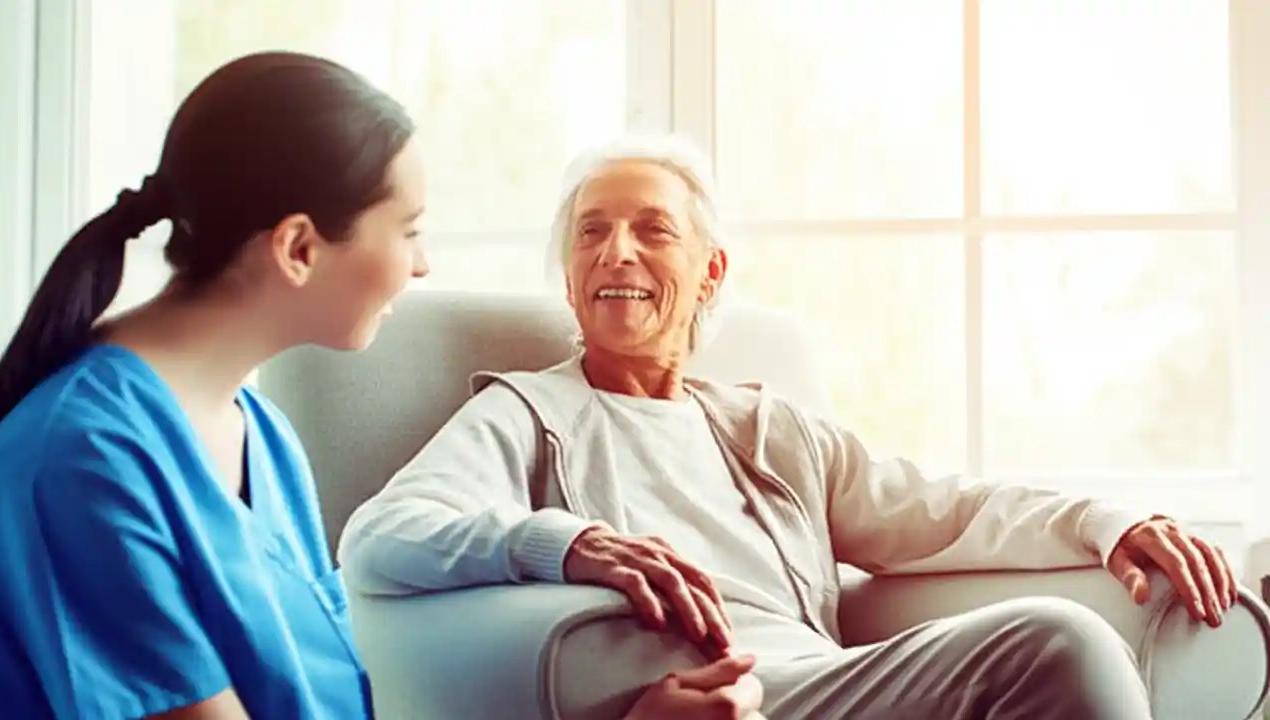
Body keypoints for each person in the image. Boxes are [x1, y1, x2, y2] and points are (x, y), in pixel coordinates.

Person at [338, 135, 1240, 720]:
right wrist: (570, 545)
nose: (616, 252)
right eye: (590, 234)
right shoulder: (527, 412)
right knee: (1061, 640)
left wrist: (1103, 521)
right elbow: (380, 537)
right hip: (723, 698)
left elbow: (941, 509)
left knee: (1068, 642)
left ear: (708, 272)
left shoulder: (771, 431)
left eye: (652, 230)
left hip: (829, 684)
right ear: (570, 280)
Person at [0, 55, 759, 719]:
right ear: (298, 247)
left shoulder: (264, 437)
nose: (422, 265)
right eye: (410, 229)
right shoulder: (85, 461)